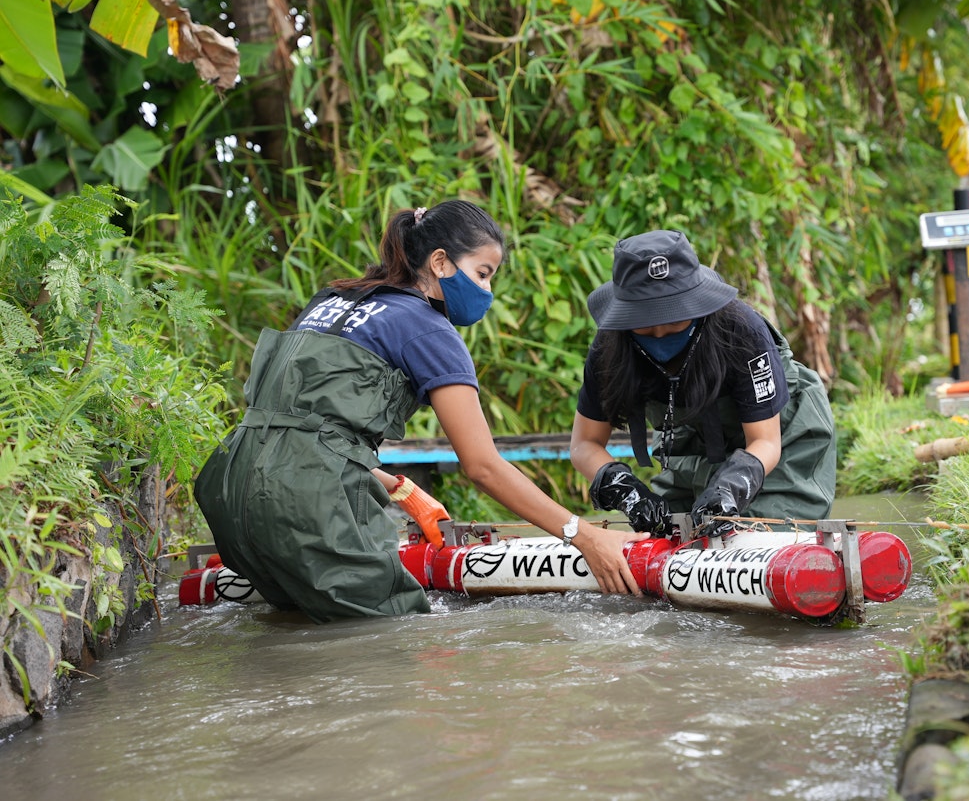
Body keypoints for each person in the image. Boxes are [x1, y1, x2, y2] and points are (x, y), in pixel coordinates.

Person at [195, 200, 648, 623]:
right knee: (398, 644)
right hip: (305, 506)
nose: (487, 291)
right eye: (483, 273)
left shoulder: (329, 301)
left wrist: (400, 487)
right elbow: (483, 466)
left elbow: (295, 430)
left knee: (296, 636)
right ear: (439, 263)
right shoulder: (427, 329)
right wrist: (585, 536)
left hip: (230, 490)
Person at [569, 229, 837, 538]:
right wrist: (626, 490)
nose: (659, 332)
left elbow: (766, 441)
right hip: (692, 445)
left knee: (761, 537)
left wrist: (731, 487)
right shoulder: (610, 347)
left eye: (673, 319)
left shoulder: (741, 331)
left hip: (780, 439)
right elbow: (583, 444)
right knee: (672, 537)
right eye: (644, 321)